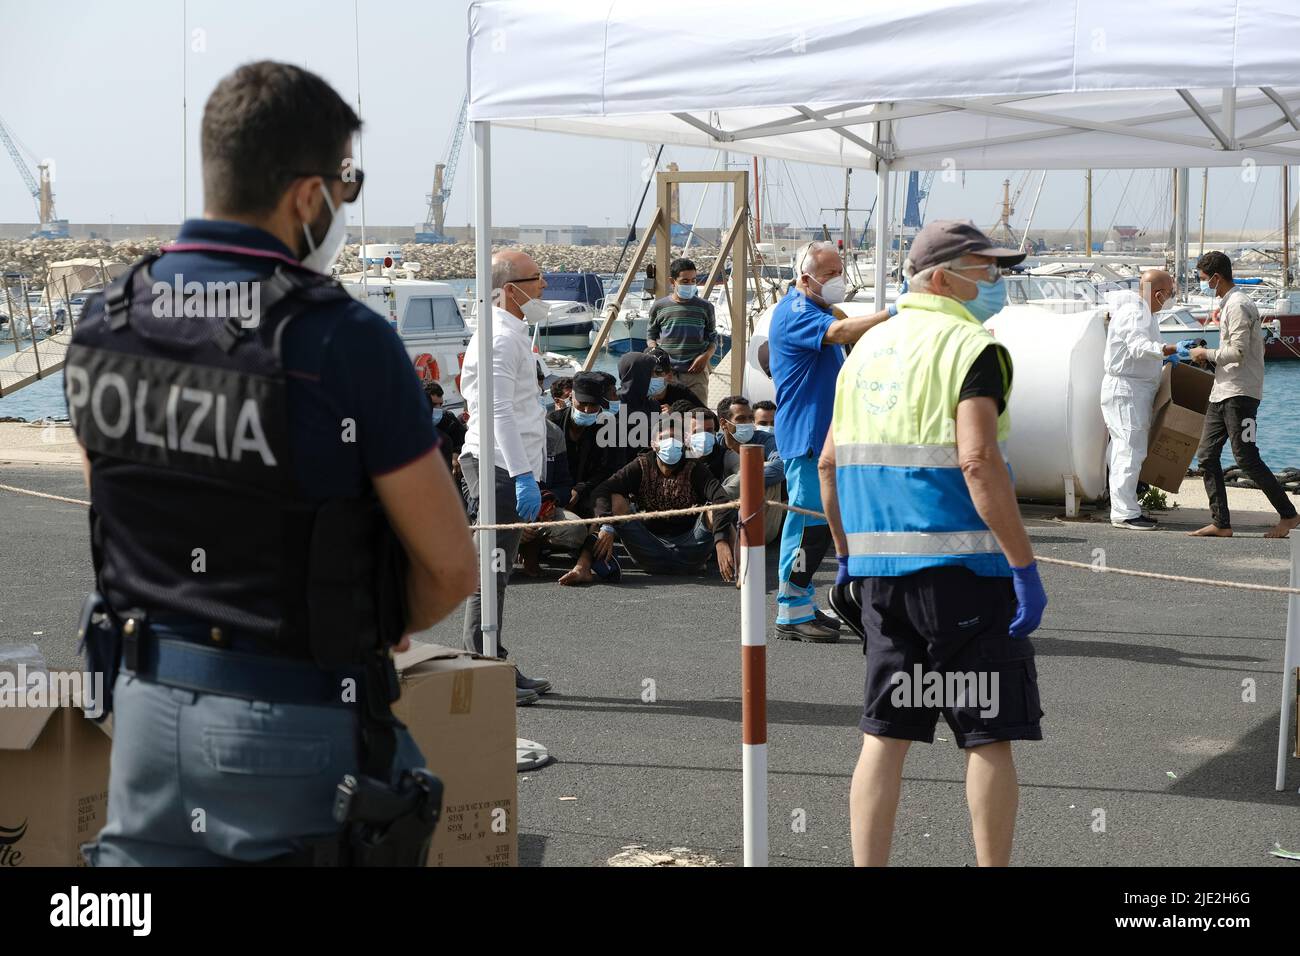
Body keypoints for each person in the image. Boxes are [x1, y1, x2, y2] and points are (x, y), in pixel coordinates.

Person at [66, 61, 477, 866]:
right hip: (294, 723)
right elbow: (450, 566)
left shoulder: (104, 318)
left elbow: (112, 500)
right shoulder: (341, 339)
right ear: (306, 194)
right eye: (345, 186)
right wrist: (368, 620)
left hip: (145, 709)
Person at [818, 218, 1046, 867]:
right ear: (945, 277)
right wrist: (1024, 566)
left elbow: (829, 463)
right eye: (987, 267)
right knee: (987, 735)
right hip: (966, 573)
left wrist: (847, 556)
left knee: (884, 736)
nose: (996, 280)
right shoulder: (970, 346)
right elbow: (978, 461)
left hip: (881, 576)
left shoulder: (864, 349)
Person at [768, 240, 892, 642]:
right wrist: (892, 312)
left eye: (840, 270)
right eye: (829, 274)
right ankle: (790, 609)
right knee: (806, 525)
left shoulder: (817, 307)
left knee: (822, 524)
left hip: (827, 437)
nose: (838, 279)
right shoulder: (797, 312)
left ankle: (803, 601)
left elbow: (841, 325)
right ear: (805, 279)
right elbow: (839, 332)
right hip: (807, 435)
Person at [459, 249, 553, 705]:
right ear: (512, 289)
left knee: (497, 572)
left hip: (507, 465)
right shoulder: (499, 337)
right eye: (537, 278)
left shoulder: (510, 333)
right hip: (497, 465)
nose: (545, 286)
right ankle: (481, 671)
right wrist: (521, 475)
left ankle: (492, 659)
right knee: (489, 574)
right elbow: (496, 411)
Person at [1188, 251, 1299, 539]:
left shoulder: (1238, 305)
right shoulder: (1230, 304)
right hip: (1222, 391)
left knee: (1246, 457)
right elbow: (1254, 348)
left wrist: (1205, 354)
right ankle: (1221, 523)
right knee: (1207, 456)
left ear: (1216, 277)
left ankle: (1288, 515)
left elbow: (1237, 352)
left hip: (1240, 394)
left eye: (1202, 279)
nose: (1202, 284)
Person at [579, 414, 736, 581]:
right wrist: (607, 525)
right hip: (648, 549)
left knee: (714, 510)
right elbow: (601, 490)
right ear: (653, 444)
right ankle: (582, 567)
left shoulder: (695, 468)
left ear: (684, 442)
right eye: (664, 438)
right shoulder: (641, 465)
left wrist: (720, 541)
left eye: (676, 438)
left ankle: (741, 569)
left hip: (690, 548)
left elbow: (722, 500)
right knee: (616, 500)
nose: (671, 442)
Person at [1101, 270, 1180, 530]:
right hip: (1128, 390)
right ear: (1158, 294)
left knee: (1123, 449)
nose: (1170, 298)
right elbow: (1138, 346)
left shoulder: (1143, 311)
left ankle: (1124, 506)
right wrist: (1169, 349)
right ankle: (1125, 513)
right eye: (1170, 293)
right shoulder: (1137, 312)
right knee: (1130, 449)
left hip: (1131, 389)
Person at [716, 394, 786, 545]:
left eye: (749, 418)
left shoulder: (764, 439)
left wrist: (731, 490)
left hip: (757, 520)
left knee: (765, 466)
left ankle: (719, 501)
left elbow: (781, 466)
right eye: (741, 419)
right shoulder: (716, 445)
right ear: (724, 423)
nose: (747, 423)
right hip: (727, 515)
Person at [647, 257, 718, 405]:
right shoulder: (659, 306)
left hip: (696, 375)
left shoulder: (706, 307)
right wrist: (658, 359)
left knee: (697, 417)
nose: (691, 284)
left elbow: (713, 338)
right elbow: (651, 336)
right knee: (666, 419)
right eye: (685, 281)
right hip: (667, 375)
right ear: (672, 282)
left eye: (693, 280)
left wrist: (706, 357)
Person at [425, 379, 466, 485]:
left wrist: (455, 455)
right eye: (434, 405)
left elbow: (462, 439)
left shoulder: (449, 419)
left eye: (441, 404)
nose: (438, 408)